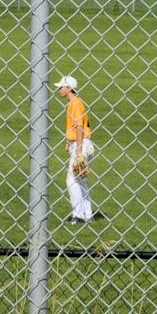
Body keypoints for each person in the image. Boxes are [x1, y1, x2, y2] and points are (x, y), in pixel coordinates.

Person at [56, 75, 97, 223]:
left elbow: (80, 128)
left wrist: (79, 151)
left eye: (61, 87)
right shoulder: (74, 103)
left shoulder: (76, 104)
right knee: (81, 180)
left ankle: (78, 215)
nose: (59, 89)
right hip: (81, 143)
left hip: (82, 144)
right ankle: (87, 214)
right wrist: (69, 141)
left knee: (72, 180)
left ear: (69, 88)